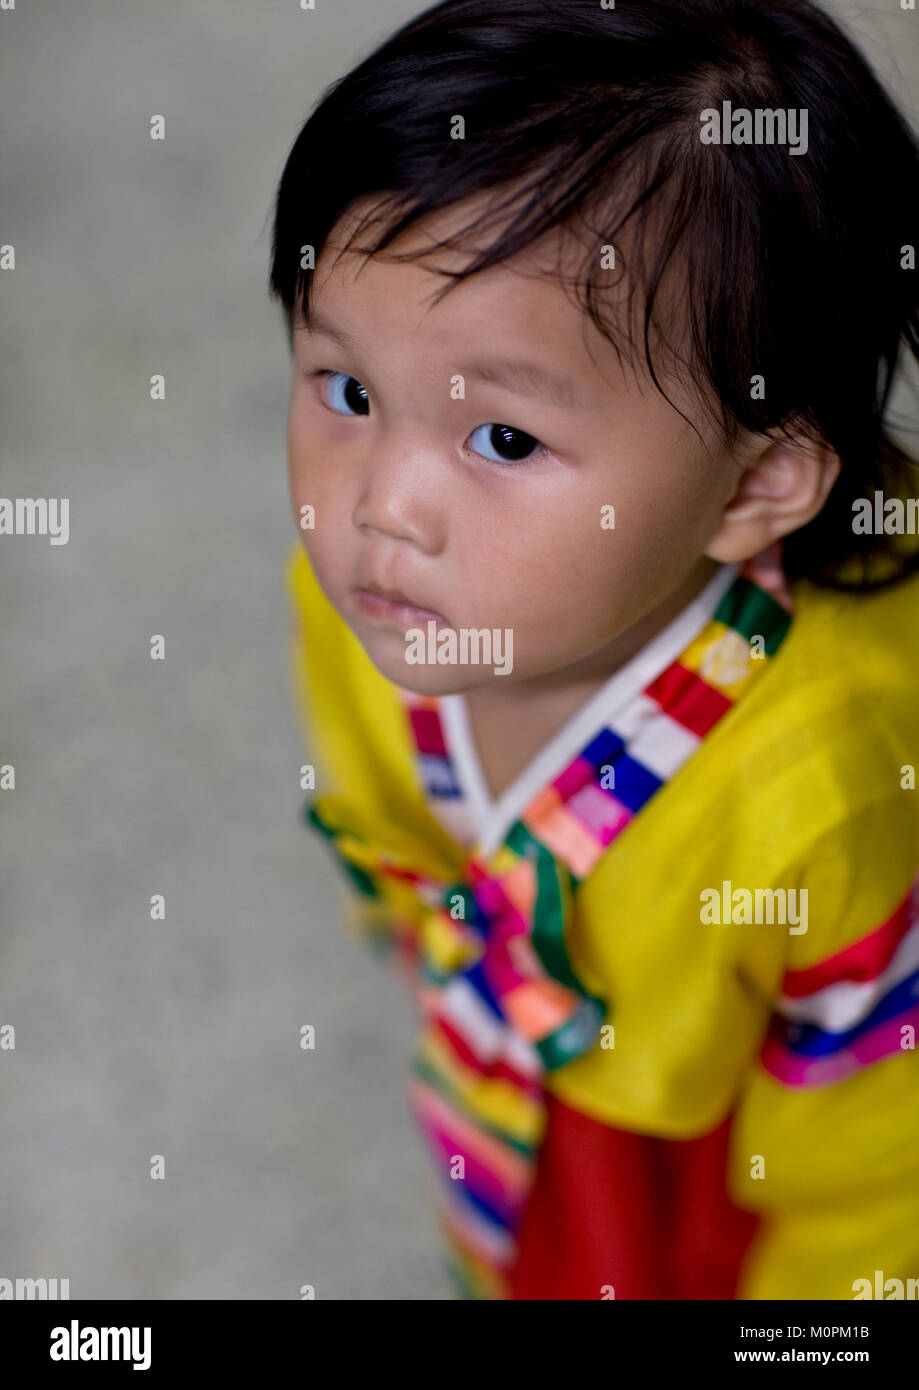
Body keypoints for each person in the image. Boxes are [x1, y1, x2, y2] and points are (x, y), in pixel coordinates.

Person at [269, 0, 919, 1299]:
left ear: (755, 486)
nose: (380, 505)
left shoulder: (825, 795)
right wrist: (416, 924)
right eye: (346, 390)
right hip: (538, 1104)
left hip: (732, 1163)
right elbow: (382, 810)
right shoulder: (387, 597)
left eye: (503, 439)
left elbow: (882, 1137)